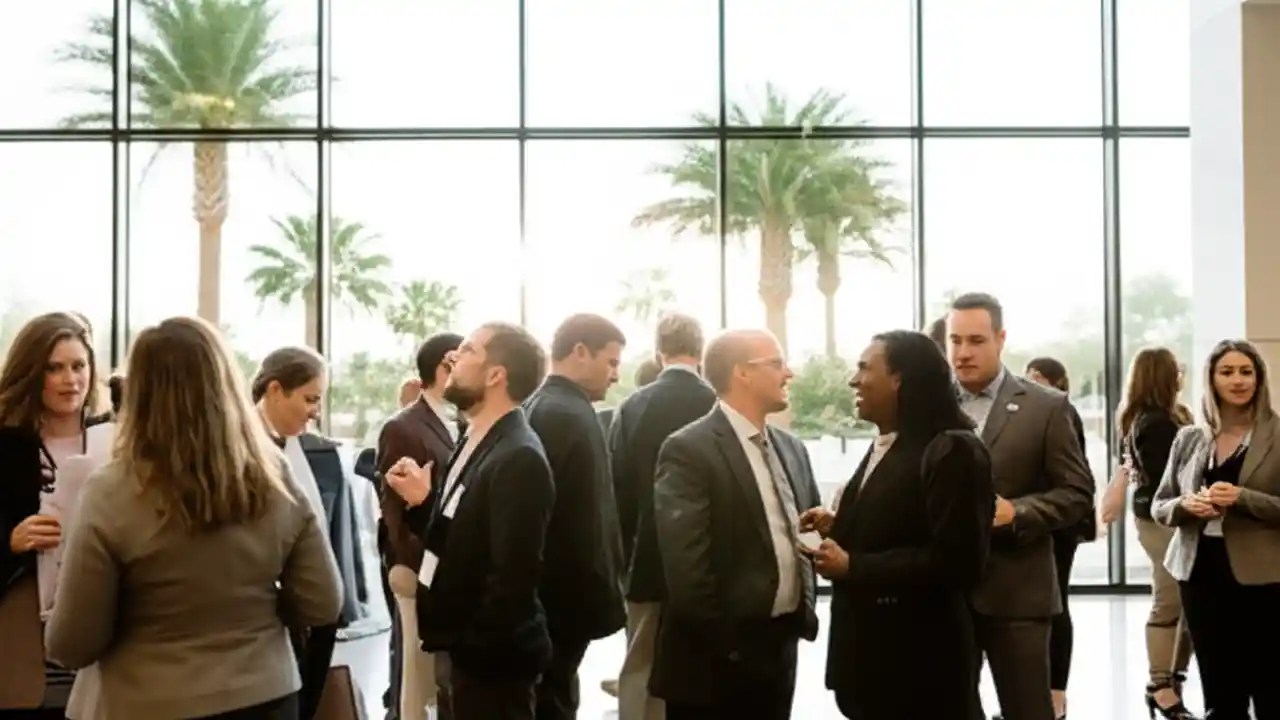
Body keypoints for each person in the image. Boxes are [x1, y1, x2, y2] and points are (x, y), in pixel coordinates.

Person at [44, 316, 343, 719]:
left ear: (141, 393)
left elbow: (72, 643)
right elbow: (323, 603)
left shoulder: (111, 491)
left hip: (144, 700)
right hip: (265, 693)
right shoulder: (274, 474)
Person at [800, 330, 992, 719]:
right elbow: (904, 524)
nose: (854, 380)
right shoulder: (888, 443)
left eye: (864, 368)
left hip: (918, 673)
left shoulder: (952, 449)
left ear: (900, 379)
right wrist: (838, 526)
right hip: (872, 666)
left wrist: (854, 566)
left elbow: (959, 561)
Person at [386, 322, 554, 720]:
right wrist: (424, 502)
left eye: (467, 351)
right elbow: (463, 536)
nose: (452, 359)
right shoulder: (475, 436)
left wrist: (469, 646)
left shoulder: (519, 456)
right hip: (459, 649)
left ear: (497, 375)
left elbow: (512, 577)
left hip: (489, 664)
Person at [651, 329, 822, 720]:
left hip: (779, 651)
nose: (789, 373)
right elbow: (687, 569)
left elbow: (805, 531)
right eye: (777, 363)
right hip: (715, 665)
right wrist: (730, 647)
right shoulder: (688, 449)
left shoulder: (791, 448)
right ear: (742, 373)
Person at [947, 293, 1093, 720]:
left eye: (975, 340)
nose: (963, 352)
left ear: (1001, 338)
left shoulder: (1046, 407)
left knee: (1027, 711)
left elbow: (1078, 493)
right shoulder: (926, 406)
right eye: (955, 340)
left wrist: (1019, 513)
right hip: (944, 595)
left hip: (1018, 593)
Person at [1153, 339, 1280, 717]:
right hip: (1200, 573)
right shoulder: (1190, 437)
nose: (1237, 380)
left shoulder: (1276, 436)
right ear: (1212, 379)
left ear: (1259, 379)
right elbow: (1160, 504)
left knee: (1271, 689)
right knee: (1220, 692)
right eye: (1227, 372)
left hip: (1265, 579)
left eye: (1246, 371)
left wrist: (1243, 498)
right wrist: (1184, 505)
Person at [0, 312, 110, 718]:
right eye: (55, 368)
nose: (71, 379)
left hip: (104, 642)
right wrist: (11, 541)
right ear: (33, 373)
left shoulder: (117, 439)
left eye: (79, 366)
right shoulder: (7, 445)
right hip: (23, 647)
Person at [610, 313, 717, 720]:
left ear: (658, 352)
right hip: (711, 562)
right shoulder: (719, 401)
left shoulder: (632, 407)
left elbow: (618, 489)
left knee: (640, 665)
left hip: (647, 559)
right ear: (701, 350)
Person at [252, 346, 367, 720]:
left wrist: (344, 603)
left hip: (317, 617)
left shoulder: (321, 456)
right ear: (274, 390)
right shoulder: (235, 451)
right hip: (264, 620)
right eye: (310, 399)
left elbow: (338, 535)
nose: (317, 411)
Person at [523, 314, 628, 720]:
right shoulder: (562, 414)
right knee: (554, 699)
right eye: (612, 362)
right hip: (560, 601)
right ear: (580, 352)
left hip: (557, 601)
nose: (616, 375)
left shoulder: (556, 408)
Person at [377, 332, 463, 720]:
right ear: (445, 364)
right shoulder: (405, 427)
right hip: (420, 568)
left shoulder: (464, 422)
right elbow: (394, 512)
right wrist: (419, 567)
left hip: (451, 569)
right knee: (416, 678)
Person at [1113, 347, 1196, 719]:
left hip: (1154, 519)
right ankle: (1161, 685)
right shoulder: (1158, 423)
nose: (1181, 375)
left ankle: (1170, 680)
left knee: (1182, 598)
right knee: (1171, 598)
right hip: (1164, 521)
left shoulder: (1140, 418)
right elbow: (1173, 480)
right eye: (1175, 370)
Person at [1024, 356, 1096, 720]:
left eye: (1035, 377)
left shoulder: (1058, 412)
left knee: (1055, 606)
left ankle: (1055, 698)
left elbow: (1075, 482)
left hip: (1057, 526)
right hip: (1046, 524)